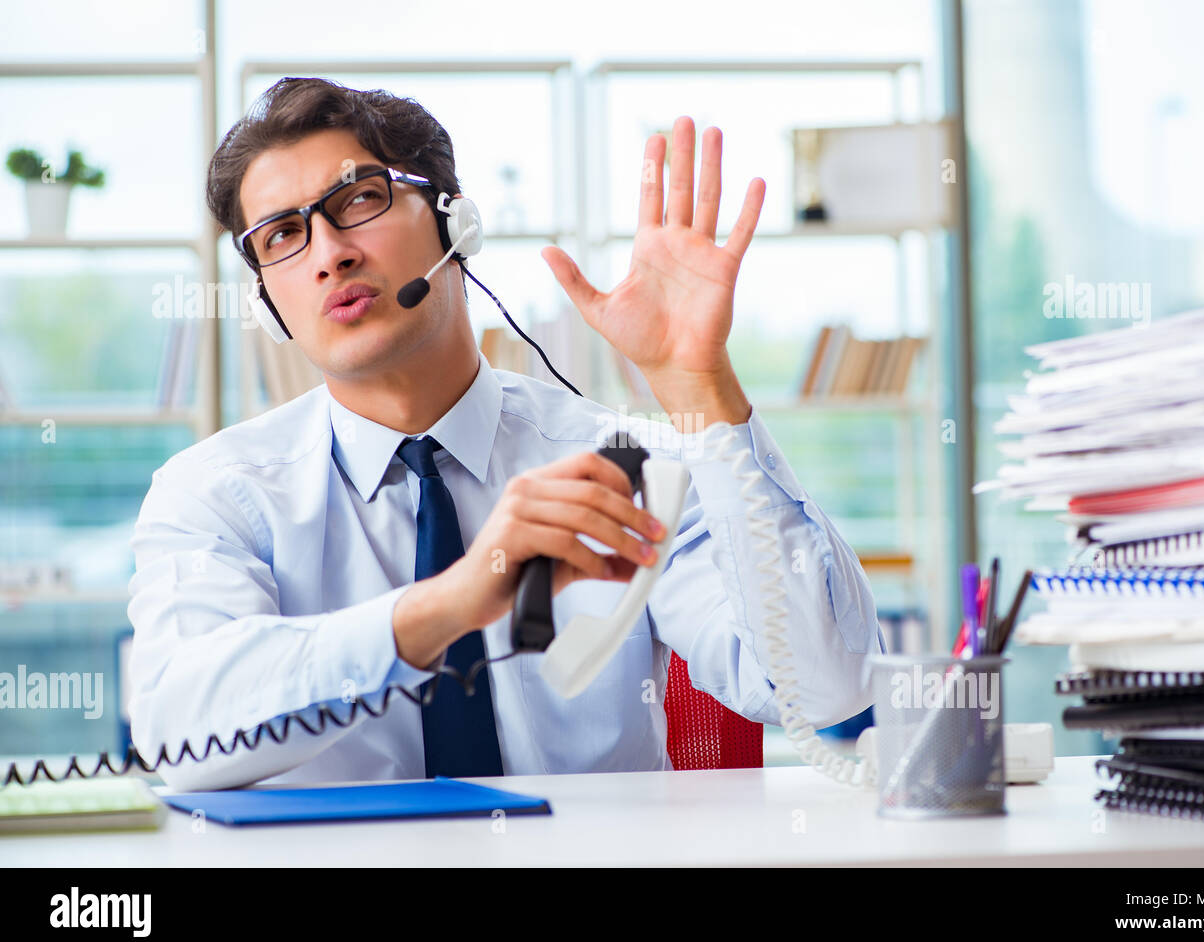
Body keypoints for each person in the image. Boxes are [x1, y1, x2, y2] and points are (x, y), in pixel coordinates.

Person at [126, 76, 883, 792]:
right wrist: (450, 604)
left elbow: (829, 689)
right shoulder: (217, 492)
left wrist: (698, 386)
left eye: (359, 199)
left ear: (458, 221)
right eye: (283, 235)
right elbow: (181, 731)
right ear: (268, 302)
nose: (329, 254)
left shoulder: (624, 465)